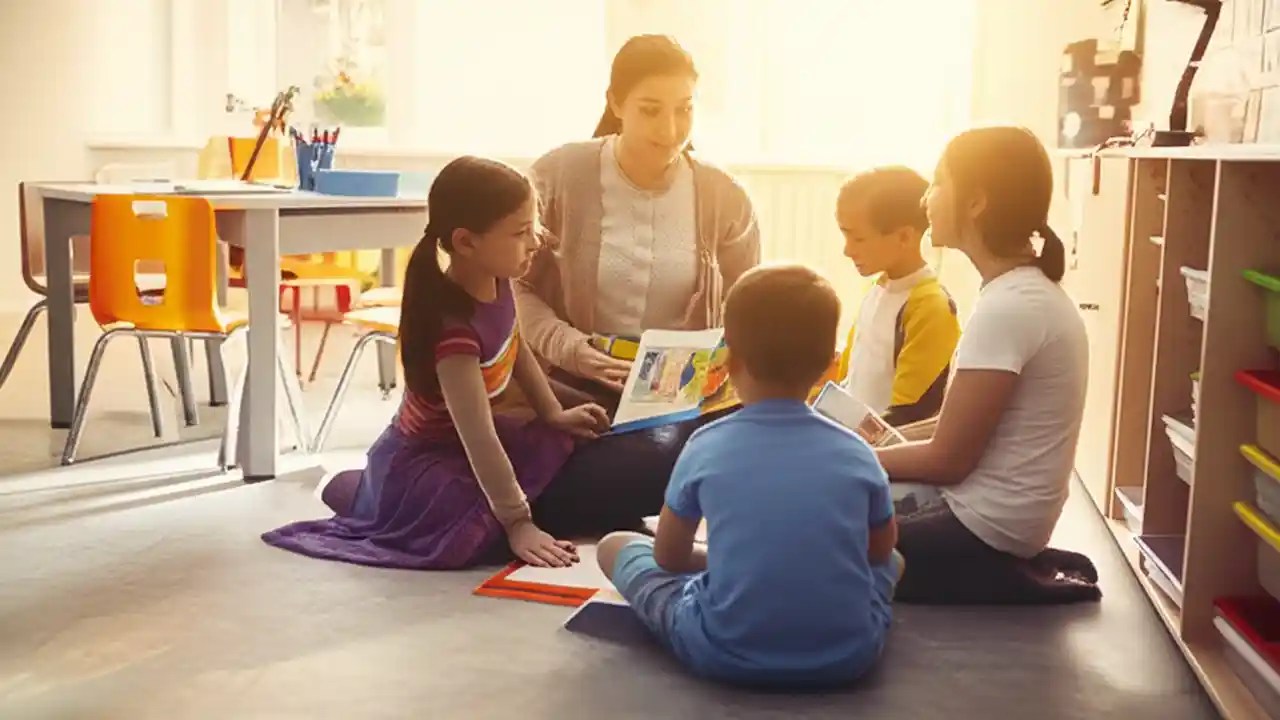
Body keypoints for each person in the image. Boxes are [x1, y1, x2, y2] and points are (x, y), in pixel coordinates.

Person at [261, 157, 610, 570]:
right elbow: (478, 437)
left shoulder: (500, 281)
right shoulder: (454, 335)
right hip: (422, 458)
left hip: (459, 445)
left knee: (552, 441)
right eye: (520, 232)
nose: (535, 242)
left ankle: (364, 492)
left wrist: (553, 413)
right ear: (466, 242)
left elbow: (515, 347)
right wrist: (518, 523)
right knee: (463, 530)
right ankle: (355, 493)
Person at [596, 265, 903, 688]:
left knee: (616, 546)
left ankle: (737, 570)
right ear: (831, 367)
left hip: (720, 648)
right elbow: (881, 551)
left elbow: (667, 557)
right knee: (896, 564)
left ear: (729, 360)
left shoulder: (705, 445)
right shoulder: (859, 452)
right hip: (847, 655)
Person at [519, 34, 760, 539]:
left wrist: (723, 365)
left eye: (684, 109)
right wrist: (574, 349)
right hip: (569, 381)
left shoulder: (723, 194)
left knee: (711, 448)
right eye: (650, 110)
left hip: (676, 397)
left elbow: (749, 304)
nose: (670, 130)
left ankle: (567, 502)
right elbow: (512, 288)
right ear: (615, 103)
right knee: (652, 457)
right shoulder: (559, 174)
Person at [874, 126, 1100, 605]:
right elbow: (957, 424)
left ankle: (1003, 573)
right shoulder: (1018, 293)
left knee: (808, 542)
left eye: (938, 182)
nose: (926, 199)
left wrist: (844, 459)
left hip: (982, 528)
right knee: (839, 500)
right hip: (996, 519)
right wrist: (869, 440)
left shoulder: (1010, 306)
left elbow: (948, 460)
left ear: (976, 203)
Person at [833, 166, 960, 428]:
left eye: (858, 238)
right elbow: (850, 379)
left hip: (885, 457)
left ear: (904, 236)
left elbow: (908, 412)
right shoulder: (875, 291)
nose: (847, 250)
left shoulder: (930, 306)